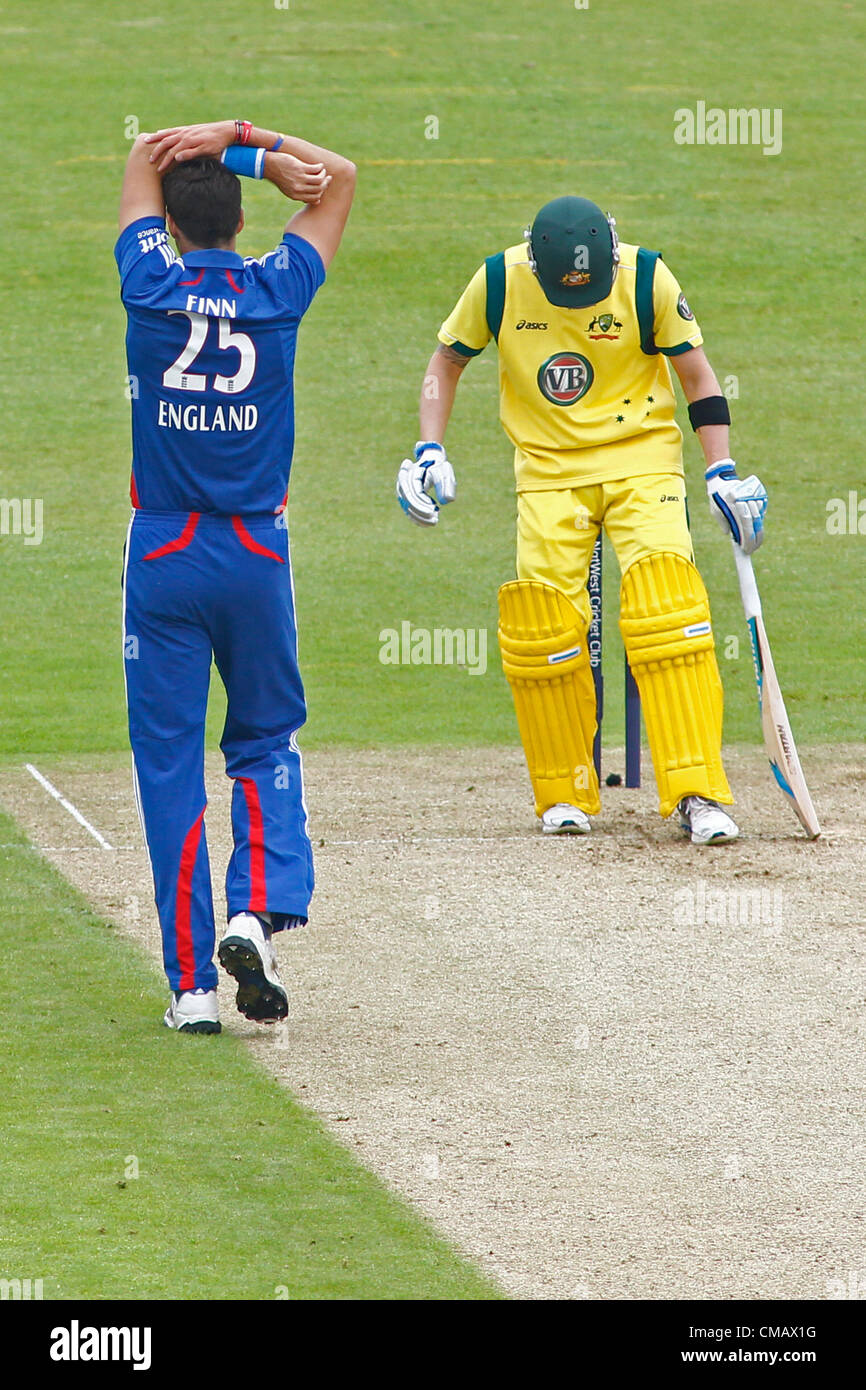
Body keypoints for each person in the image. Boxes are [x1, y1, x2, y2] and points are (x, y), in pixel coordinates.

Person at [397, 196, 767, 844]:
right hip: (548, 471)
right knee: (543, 626)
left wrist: (722, 472)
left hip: (643, 459)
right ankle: (562, 795)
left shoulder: (647, 278)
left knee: (668, 606)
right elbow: (446, 361)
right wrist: (428, 448)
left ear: (613, 252)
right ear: (532, 261)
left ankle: (697, 792)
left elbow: (698, 378)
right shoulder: (497, 280)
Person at [116, 119, 355, 1032]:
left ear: (170, 226)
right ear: (243, 216)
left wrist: (205, 144)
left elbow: (143, 159)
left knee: (170, 766)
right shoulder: (277, 287)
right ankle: (254, 910)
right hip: (257, 553)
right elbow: (340, 176)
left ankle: (192, 989)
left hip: (165, 553)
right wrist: (249, 138)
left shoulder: (148, 282)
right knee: (262, 741)